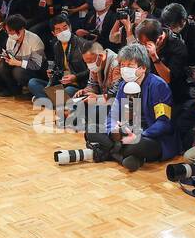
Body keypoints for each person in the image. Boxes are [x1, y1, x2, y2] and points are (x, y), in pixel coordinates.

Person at [67, 43, 176, 172]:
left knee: (137, 145)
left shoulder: (158, 85)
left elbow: (163, 123)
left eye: (129, 65)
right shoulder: (124, 84)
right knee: (91, 129)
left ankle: (109, 152)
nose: (124, 69)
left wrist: (140, 134)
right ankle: (127, 157)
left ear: (143, 68)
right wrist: (113, 129)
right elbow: (113, 115)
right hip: (125, 132)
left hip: (149, 136)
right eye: (122, 65)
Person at [28, 13, 88, 106]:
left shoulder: (83, 45)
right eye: (58, 30)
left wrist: (75, 77)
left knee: (66, 91)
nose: (63, 31)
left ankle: (46, 100)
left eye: (65, 28)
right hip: (61, 83)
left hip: (77, 85)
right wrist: (53, 71)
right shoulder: (56, 45)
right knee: (33, 83)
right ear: (54, 33)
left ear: (70, 27)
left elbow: (91, 71)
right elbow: (59, 67)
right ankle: (54, 101)